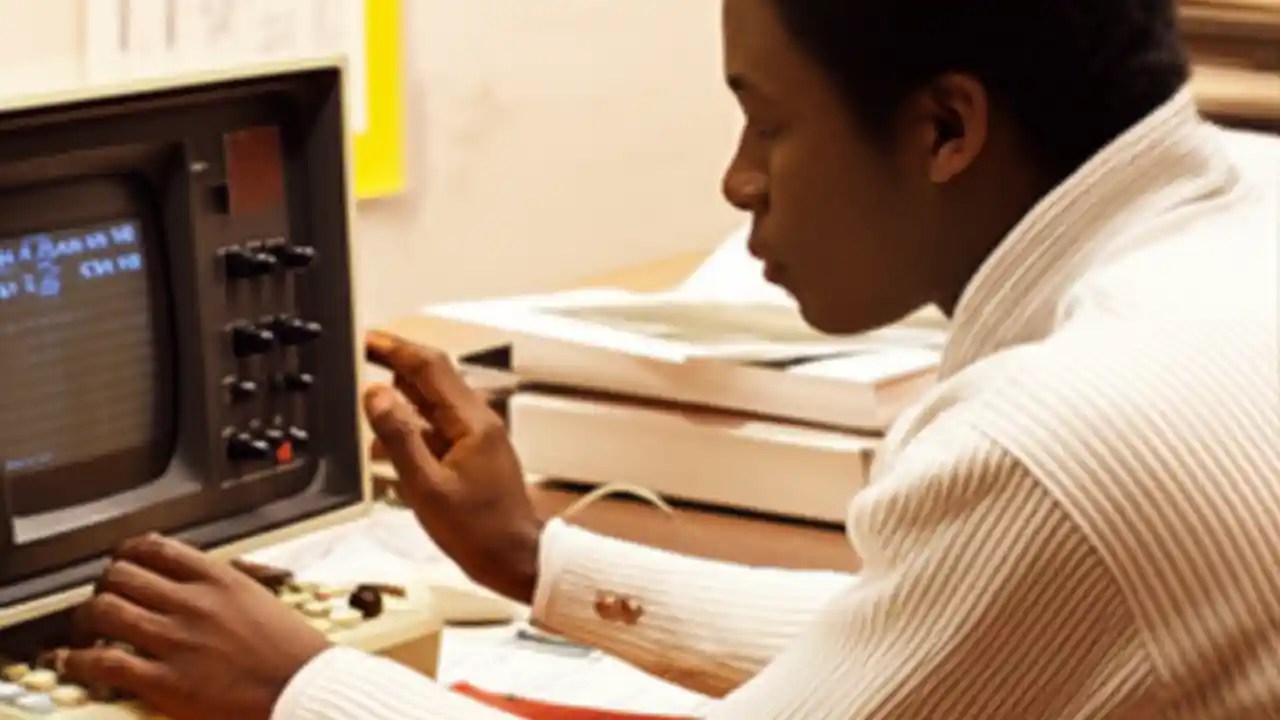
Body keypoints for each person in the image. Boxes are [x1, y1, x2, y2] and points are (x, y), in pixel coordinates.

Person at [63, 0, 1280, 717]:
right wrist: (534, 557)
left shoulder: (1056, 439)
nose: (737, 180)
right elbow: (937, 627)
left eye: (769, 121)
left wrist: (301, 688)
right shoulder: (1241, 212)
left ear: (944, 127)